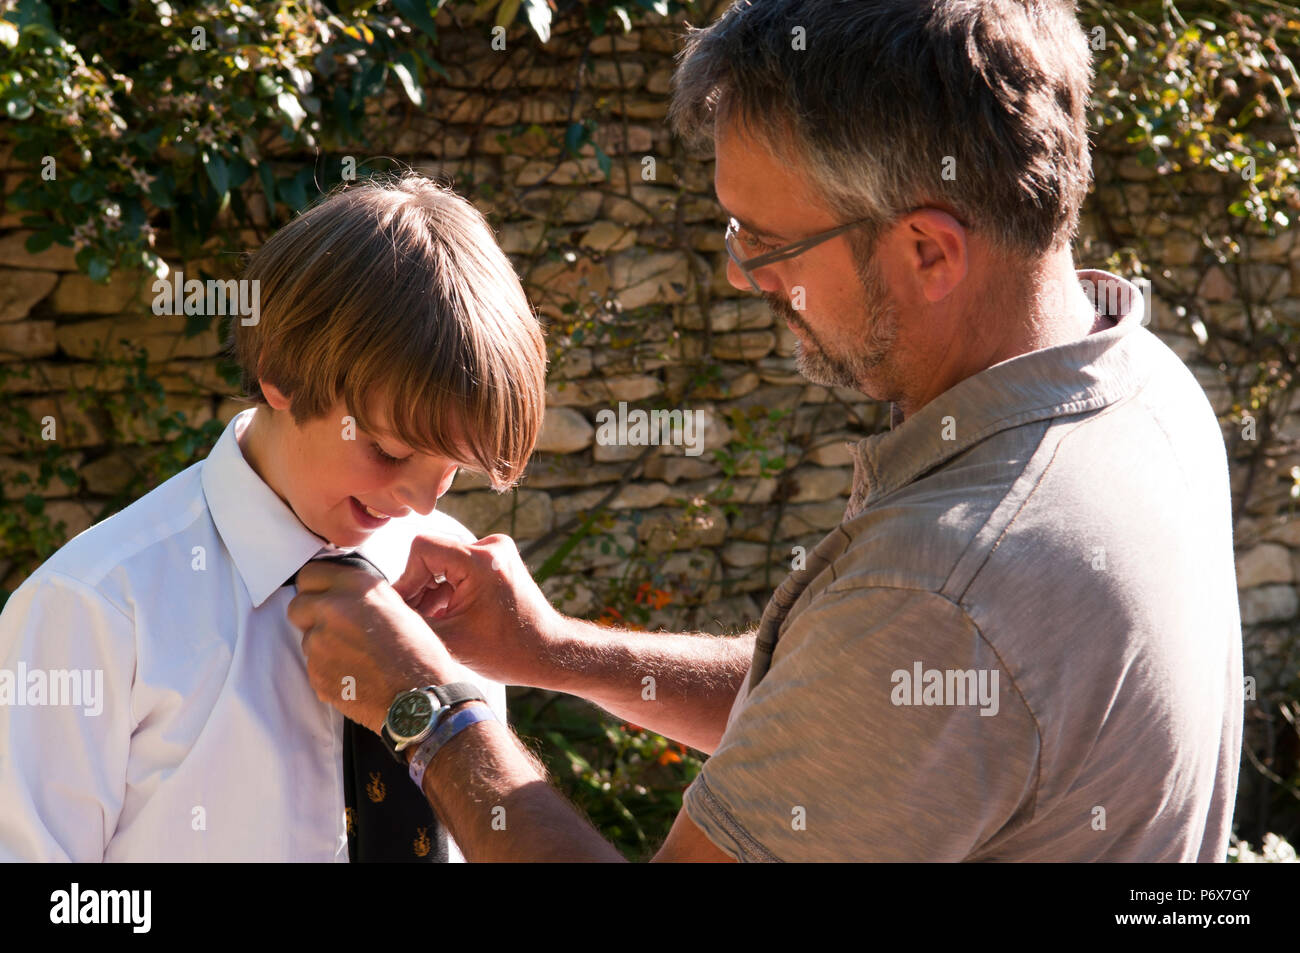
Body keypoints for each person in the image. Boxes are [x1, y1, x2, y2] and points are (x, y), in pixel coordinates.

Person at [297, 0, 1243, 862]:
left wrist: (434, 713)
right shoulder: (1139, 386)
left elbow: (909, 651)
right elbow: (858, 707)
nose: (745, 275)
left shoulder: (943, 590)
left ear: (928, 249)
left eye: (768, 241)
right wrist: (558, 651)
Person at [0, 174, 548, 861]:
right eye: (388, 451)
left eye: (452, 467)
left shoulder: (448, 573)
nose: (422, 502)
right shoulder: (95, 610)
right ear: (280, 372)